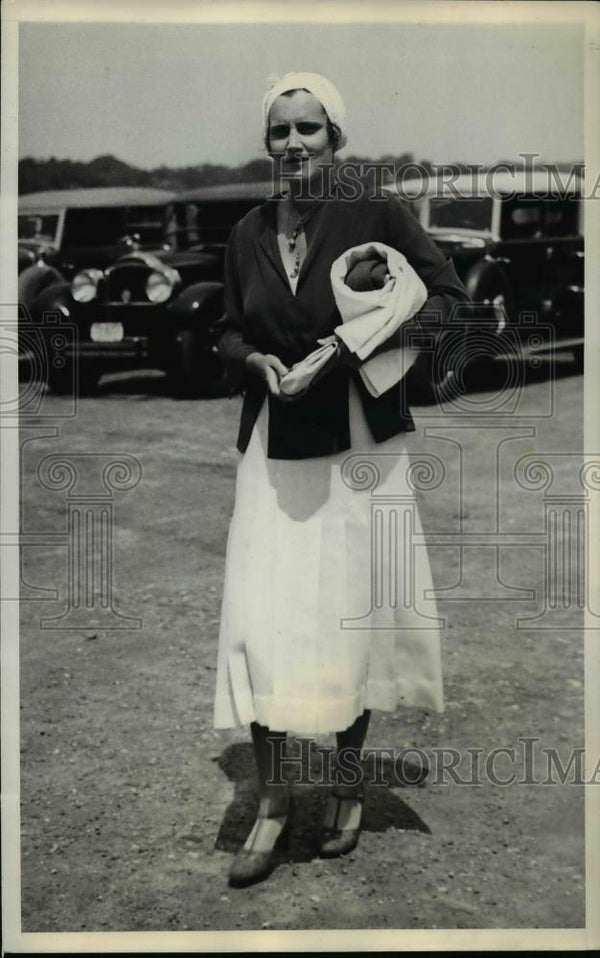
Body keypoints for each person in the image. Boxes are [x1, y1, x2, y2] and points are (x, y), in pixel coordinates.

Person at [212, 72, 470, 887]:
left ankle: (349, 791)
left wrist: (348, 348)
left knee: (344, 618)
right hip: (272, 450)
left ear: (337, 140)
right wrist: (251, 358)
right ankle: (275, 805)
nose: (293, 144)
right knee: (261, 620)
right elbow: (225, 327)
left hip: (357, 448)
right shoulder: (246, 230)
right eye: (280, 131)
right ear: (268, 143)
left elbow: (448, 304)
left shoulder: (375, 215)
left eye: (309, 130)